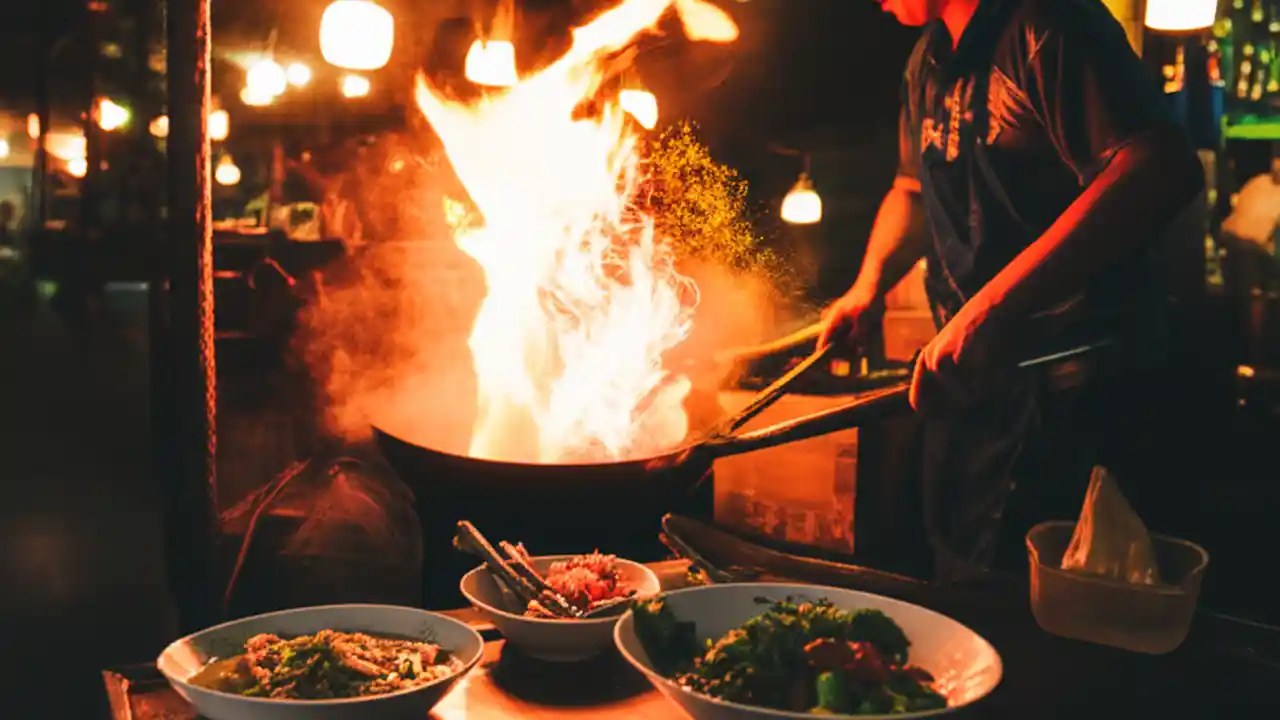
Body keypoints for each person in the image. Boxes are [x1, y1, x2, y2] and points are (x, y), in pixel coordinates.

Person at [819, 0, 1204, 581]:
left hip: (1080, 404)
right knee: (964, 587)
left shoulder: (1049, 27)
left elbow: (1160, 167)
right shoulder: (928, 60)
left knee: (1058, 611)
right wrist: (867, 286)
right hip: (979, 396)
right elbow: (913, 190)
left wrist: (991, 312)